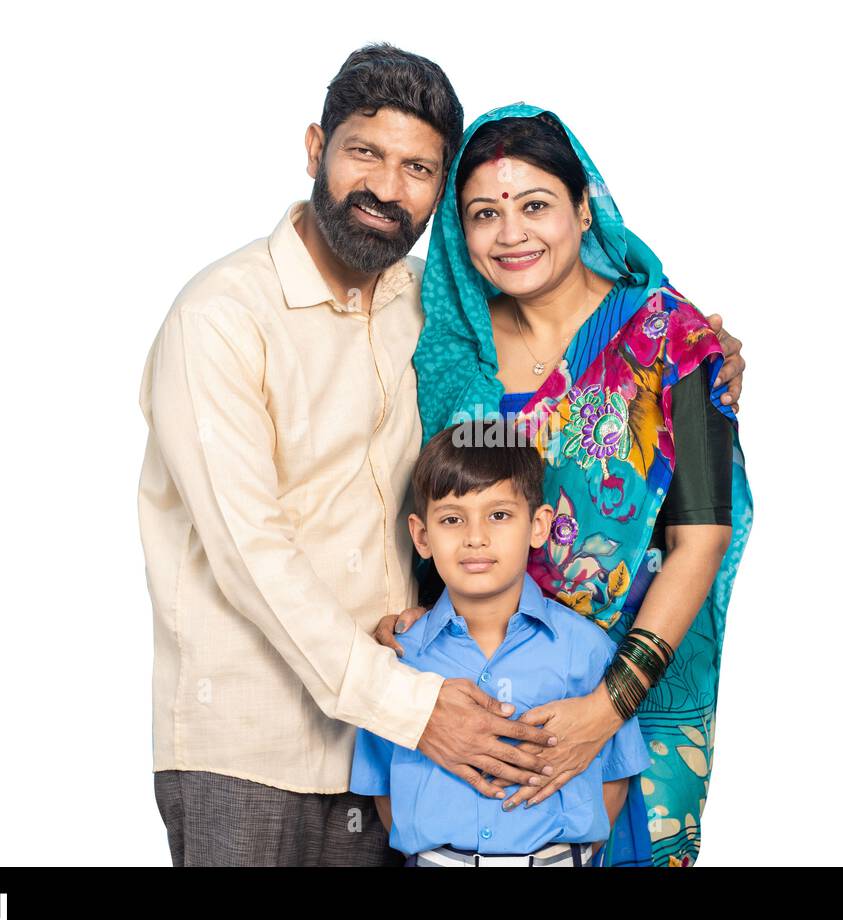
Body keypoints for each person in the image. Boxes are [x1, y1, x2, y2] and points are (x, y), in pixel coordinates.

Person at [138, 42, 747, 866]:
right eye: (365, 153)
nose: (389, 188)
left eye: (419, 169)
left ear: (586, 207)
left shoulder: (438, 312)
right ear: (317, 150)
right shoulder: (261, 320)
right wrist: (414, 694)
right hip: (308, 735)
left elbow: (691, 526)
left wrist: (697, 364)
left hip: (539, 709)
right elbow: (255, 552)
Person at [379, 104, 755, 867]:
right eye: (485, 213)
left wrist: (602, 710)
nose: (511, 233)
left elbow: (702, 535)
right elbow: (434, 512)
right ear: (460, 233)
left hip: (643, 695)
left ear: (584, 208)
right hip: (484, 690)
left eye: (536, 205)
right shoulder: (452, 351)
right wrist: (408, 628)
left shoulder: (667, 337)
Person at [350, 425, 652, 866]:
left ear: (539, 525)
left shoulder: (586, 648)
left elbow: (612, 777)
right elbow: (382, 785)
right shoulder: (399, 658)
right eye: (453, 519)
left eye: (499, 515)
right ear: (421, 536)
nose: (475, 537)